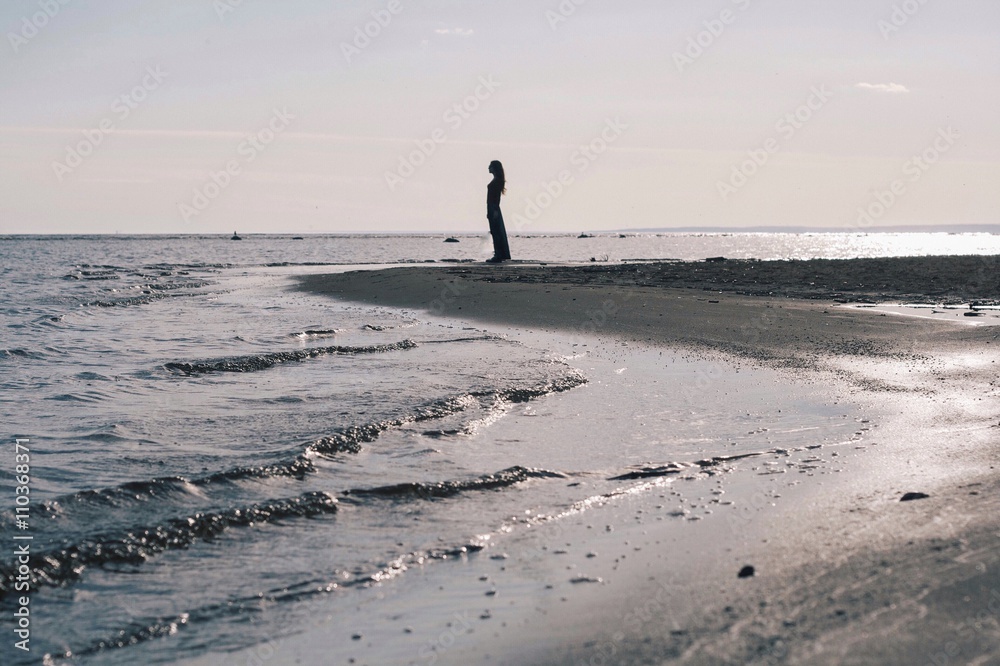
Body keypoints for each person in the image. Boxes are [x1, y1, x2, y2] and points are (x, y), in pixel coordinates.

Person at [486, 160, 511, 263]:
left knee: (496, 231)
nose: (488, 168)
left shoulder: (497, 181)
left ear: (494, 168)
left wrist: (494, 210)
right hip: (492, 207)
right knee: (495, 231)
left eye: (490, 166)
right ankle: (499, 253)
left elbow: (496, 197)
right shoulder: (497, 180)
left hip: (493, 207)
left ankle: (498, 254)